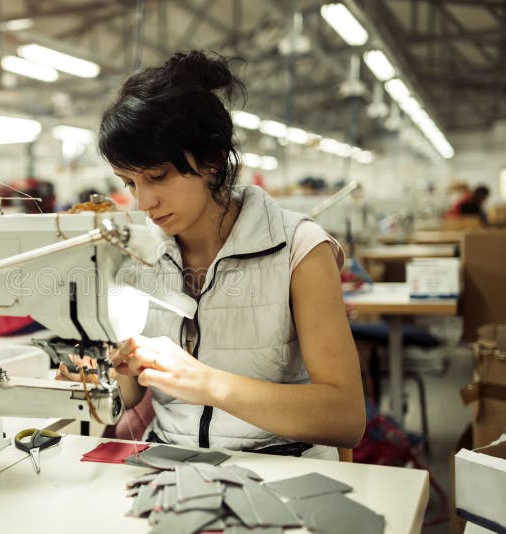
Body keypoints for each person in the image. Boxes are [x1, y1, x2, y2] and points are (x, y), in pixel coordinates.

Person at [61, 51, 365, 460]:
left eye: (157, 176)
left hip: (280, 466)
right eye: (130, 182)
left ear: (212, 162)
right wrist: (102, 378)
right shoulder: (139, 254)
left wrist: (207, 382)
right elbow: (131, 393)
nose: (144, 201)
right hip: (164, 463)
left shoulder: (299, 250)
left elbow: (345, 418)